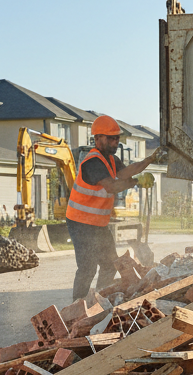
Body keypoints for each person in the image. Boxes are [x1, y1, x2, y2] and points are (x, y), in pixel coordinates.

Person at [65, 115, 158, 301]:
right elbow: (112, 186)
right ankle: (77, 306)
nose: (115, 142)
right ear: (97, 138)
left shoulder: (110, 160)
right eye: (111, 138)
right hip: (80, 223)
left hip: (98, 224)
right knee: (87, 267)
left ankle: (100, 299)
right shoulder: (92, 162)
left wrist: (151, 158)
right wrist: (137, 182)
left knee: (109, 264)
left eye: (117, 138)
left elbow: (126, 172)